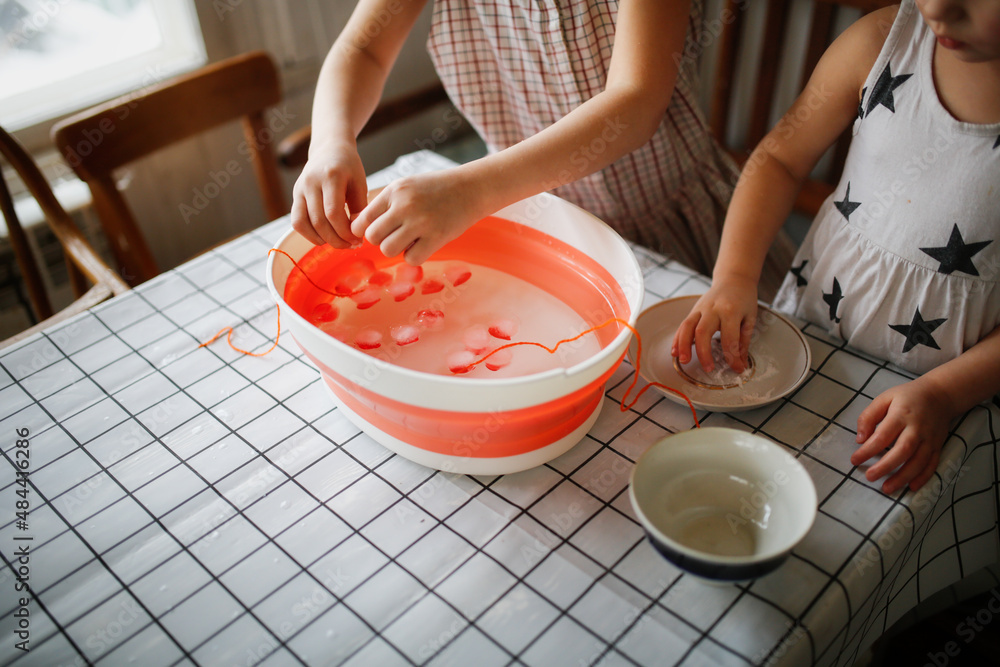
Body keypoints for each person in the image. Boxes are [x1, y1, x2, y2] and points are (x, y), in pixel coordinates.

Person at [673, 0, 1000, 495]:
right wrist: (734, 277)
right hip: (808, 330)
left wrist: (942, 394)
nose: (937, 7)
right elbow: (781, 158)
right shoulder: (885, 38)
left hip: (937, 402)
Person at [290, 0, 795, 292]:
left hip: (681, 233)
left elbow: (636, 101)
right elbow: (363, 48)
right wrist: (330, 144)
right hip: (534, 224)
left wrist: (469, 191)